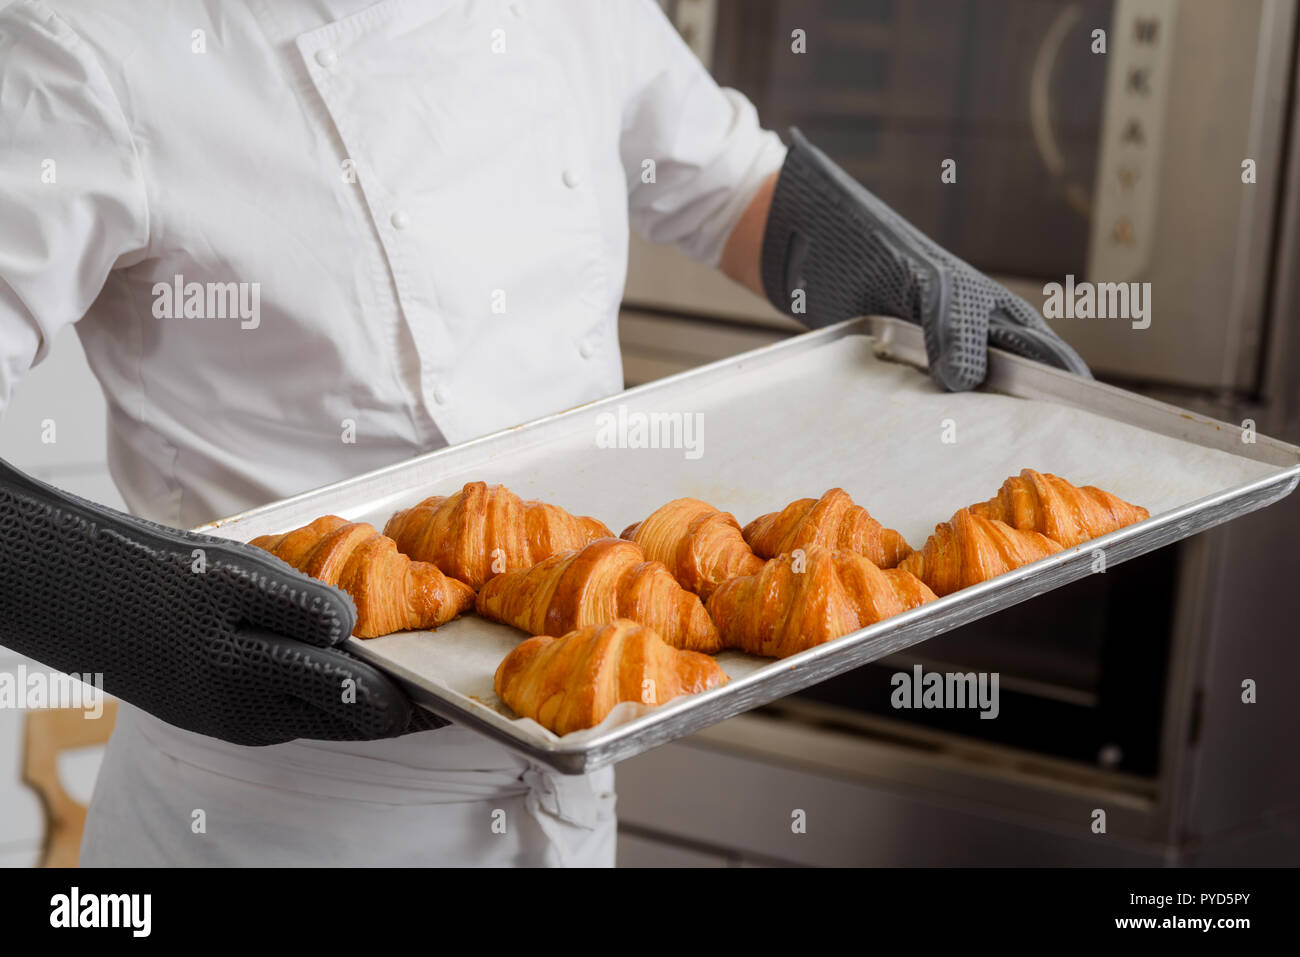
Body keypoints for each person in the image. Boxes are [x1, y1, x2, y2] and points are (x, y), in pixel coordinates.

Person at [0, 0, 1085, 867]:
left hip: (572, 748)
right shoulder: (84, 47)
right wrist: (127, 611)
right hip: (270, 816)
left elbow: (727, 184)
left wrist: (893, 270)